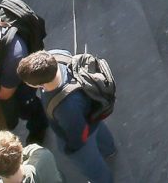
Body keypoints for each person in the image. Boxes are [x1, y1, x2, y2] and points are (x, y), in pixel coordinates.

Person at [18, 51, 119, 183]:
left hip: (82, 133)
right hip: (92, 112)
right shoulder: (56, 55)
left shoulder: (65, 108)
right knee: (100, 132)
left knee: (91, 166)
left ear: (39, 84)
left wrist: (72, 148)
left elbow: (80, 134)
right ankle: (109, 150)